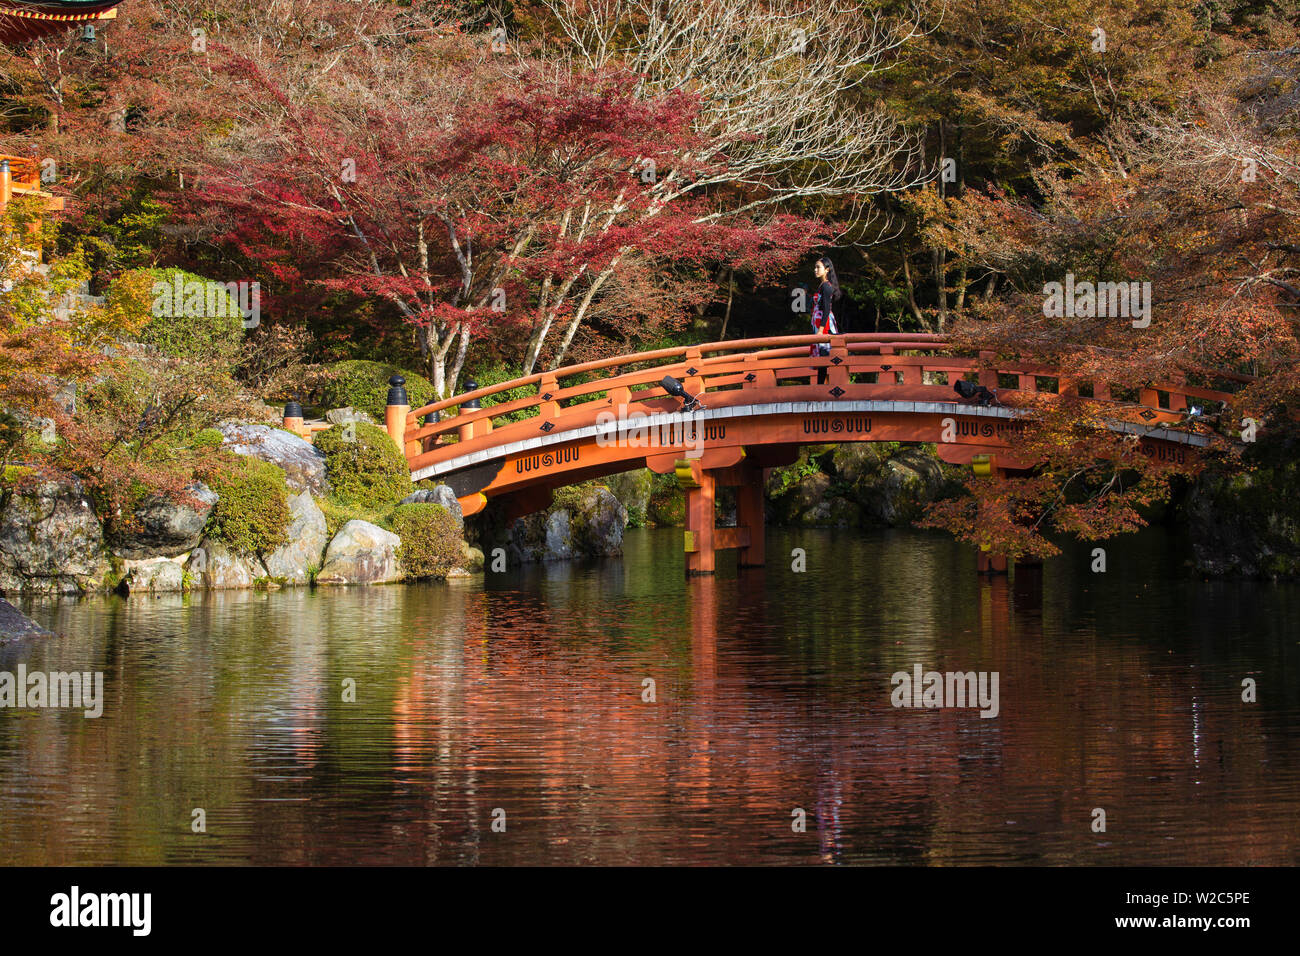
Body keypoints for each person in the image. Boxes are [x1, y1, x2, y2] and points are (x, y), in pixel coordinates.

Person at [809, 256, 841, 384]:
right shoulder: (822, 285)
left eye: (818, 267)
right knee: (821, 355)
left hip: (824, 324)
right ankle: (821, 386)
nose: (815, 270)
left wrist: (821, 331)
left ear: (827, 269)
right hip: (819, 323)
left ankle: (821, 386)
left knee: (824, 354)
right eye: (815, 267)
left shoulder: (826, 287)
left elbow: (827, 310)